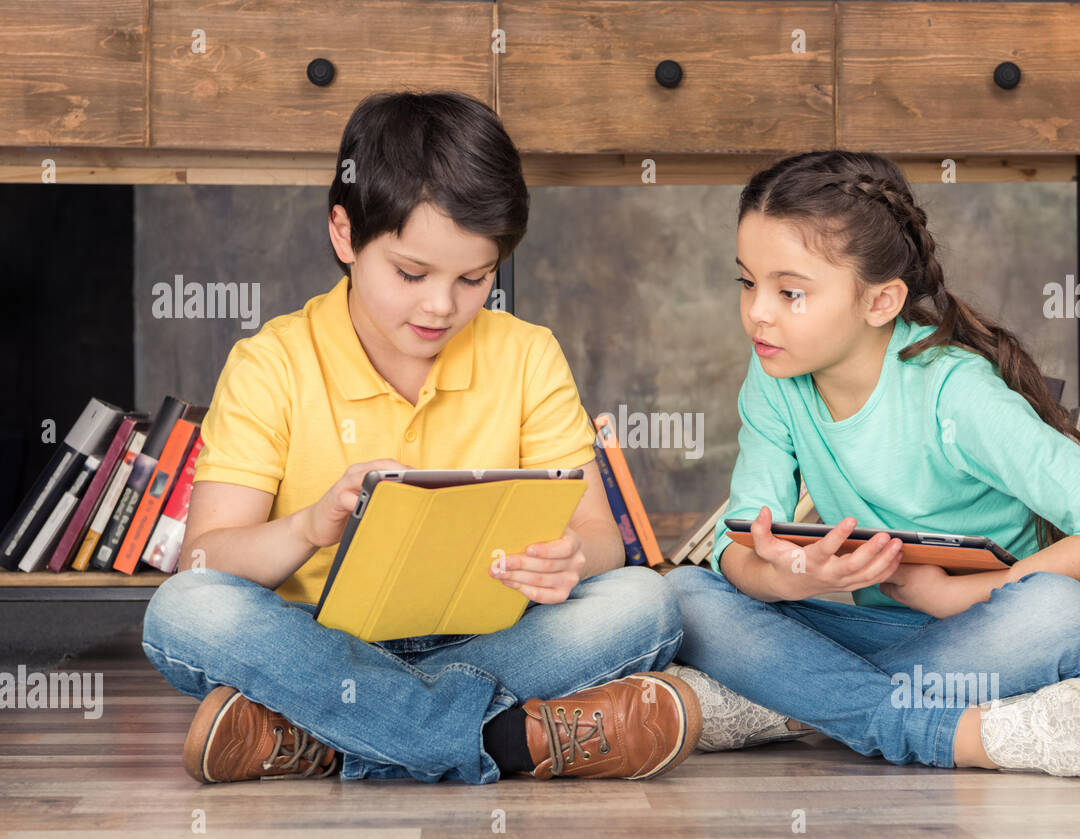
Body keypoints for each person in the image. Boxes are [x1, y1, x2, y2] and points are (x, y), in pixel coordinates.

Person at [141, 90, 700, 786]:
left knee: (644, 603)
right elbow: (203, 558)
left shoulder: (527, 354)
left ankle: (324, 737)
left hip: (495, 635)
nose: (441, 306)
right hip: (318, 641)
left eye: (474, 277)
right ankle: (507, 741)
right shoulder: (273, 362)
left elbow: (601, 538)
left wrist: (569, 557)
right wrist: (311, 525)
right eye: (411, 274)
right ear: (344, 234)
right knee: (182, 611)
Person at [663, 149, 1080, 776]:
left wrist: (958, 596)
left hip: (984, 634)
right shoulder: (773, 375)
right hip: (870, 638)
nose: (758, 312)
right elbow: (738, 547)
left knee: (1066, 619)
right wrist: (795, 577)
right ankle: (953, 732)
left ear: (881, 302)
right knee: (685, 594)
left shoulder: (956, 393)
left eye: (789, 291)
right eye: (747, 282)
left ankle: (792, 705)